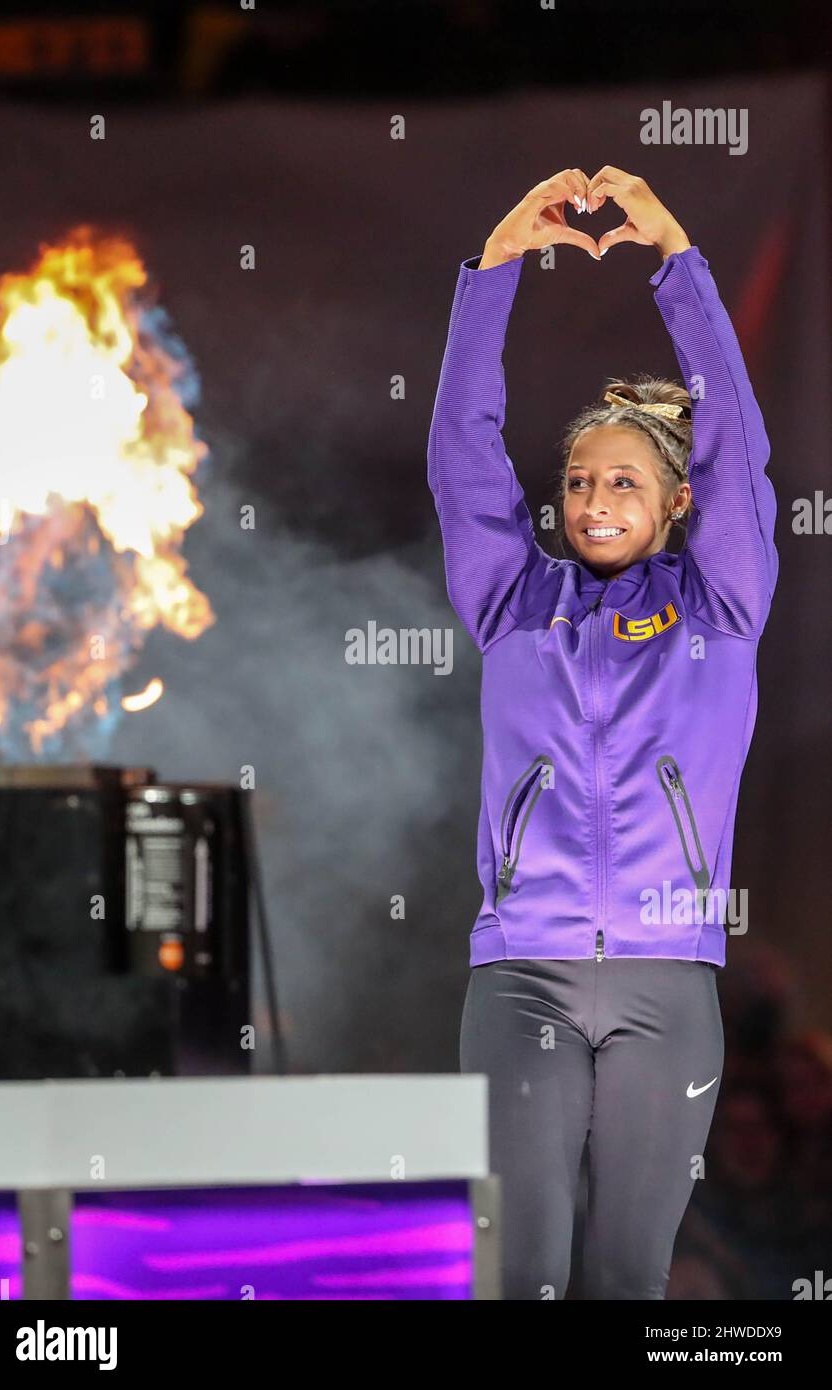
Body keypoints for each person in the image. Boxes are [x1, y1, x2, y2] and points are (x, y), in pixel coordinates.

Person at [426, 167, 779, 1300]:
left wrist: (677, 262)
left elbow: (735, 444)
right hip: (518, 977)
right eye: (576, 480)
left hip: (664, 985)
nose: (590, 501)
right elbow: (460, 457)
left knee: (626, 1278)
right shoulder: (511, 603)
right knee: (519, 1274)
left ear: (674, 501)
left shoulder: (719, 607)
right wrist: (491, 268)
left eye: (622, 481)